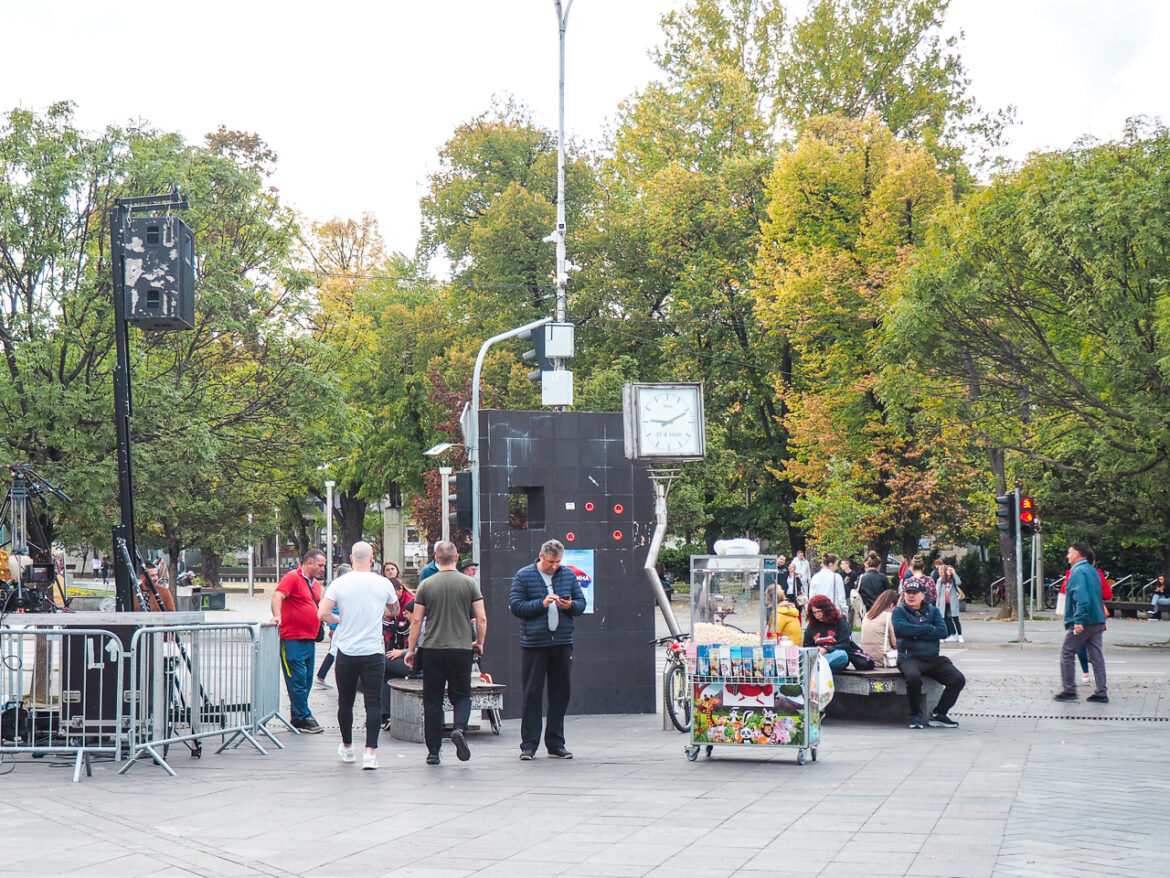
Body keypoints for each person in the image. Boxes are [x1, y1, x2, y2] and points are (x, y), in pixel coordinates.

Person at [318, 542, 399, 770]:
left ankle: (347, 747)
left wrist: (339, 619)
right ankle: (370, 753)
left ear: (351, 558)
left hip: (346, 650)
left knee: (345, 701)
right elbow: (394, 610)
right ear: (372, 558)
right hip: (373, 651)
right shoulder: (383, 583)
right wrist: (379, 610)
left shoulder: (339, 584)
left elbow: (322, 613)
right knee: (373, 702)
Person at [405, 540, 486, 765]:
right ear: (457, 558)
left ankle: (433, 751)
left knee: (432, 700)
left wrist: (411, 650)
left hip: (432, 649)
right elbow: (481, 617)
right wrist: (479, 642)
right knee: (461, 696)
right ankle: (459, 728)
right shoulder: (469, 583)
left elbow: (417, 620)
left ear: (436, 558)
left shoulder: (426, 585)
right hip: (461, 648)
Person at [509, 538, 585, 760]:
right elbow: (516, 606)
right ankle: (529, 745)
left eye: (559, 562)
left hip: (562, 642)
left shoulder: (568, 575)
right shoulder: (524, 575)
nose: (555, 566)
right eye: (551, 562)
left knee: (560, 693)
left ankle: (555, 742)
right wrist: (541, 604)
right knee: (532, 694)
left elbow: (581, 604)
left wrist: (570, 605)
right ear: (541, 557)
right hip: (535, 643)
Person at [892, 579, 965, 729]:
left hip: (932, 658)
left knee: (958, 679)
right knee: (913, 678)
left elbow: (943, 632)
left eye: (914, 593)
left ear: (922, 595)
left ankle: (939, 714)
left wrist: (915, 631)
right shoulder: (899, 611)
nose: (911, 596)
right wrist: (927, 627)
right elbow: (901, 629)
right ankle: (916, 714)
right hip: (909, 657)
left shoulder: (932, 610)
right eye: (908, 593)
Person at [270, 548, 327, 734]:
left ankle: (298, 717)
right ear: (309, 563)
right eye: (320, 565)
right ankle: (304, 717)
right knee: (297, 680)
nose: (322, 569)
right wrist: (277, 616)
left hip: (309, 639)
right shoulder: (292, 577)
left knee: (307, 680)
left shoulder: (315, 584)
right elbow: (278, 595)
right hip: (292, 638)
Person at [1054, 542, 1108, 704]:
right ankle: (1101, 692)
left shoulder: (1077, 572)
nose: (1067, 556)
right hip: (1098, 619)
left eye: (1069, 553)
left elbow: (1081, 598)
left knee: (1067, 652)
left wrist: (1078, 621)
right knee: (1096, 656)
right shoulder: (1093, 571)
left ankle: (1069, 690)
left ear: (1077, 554)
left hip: (1085, 620)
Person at [314, 564, 351, 690]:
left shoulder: (340, 585)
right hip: (339, 625)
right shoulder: (337, 587)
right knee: (335, 651)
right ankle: (321, 676)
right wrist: (333, 626)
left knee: (334, 650)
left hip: (342, 624)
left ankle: (321, 676)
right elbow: (333, 609)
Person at [802, 595, 857, 672]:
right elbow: (806, 646)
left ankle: (815, 667)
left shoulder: (840, 621)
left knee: (841, 655)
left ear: (826, 610)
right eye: (814, 613)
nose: (817, 615)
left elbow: (845, 644)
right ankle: (816, 667)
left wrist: (826, 649)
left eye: (819, 611)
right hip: (817, 656)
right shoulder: (812, 625)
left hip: (835, 656)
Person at [860, 589, 899, 660]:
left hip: (866, 658)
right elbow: (895, 643)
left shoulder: (867, 615)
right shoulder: (888, 616)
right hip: (882, 659)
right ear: (891, 605)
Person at [936, 565, 964, 643]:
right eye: (947, 570)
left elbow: (959, 582)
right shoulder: (941, 580)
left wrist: (954, 573)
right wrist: (937, 604)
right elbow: (938, 593)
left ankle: (960, 635)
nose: (949, 571)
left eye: (950, 570)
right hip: (943, 603)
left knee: (955, 619)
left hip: (952, 603)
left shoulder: (953, 580)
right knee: (944, 619)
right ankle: (945, 635)